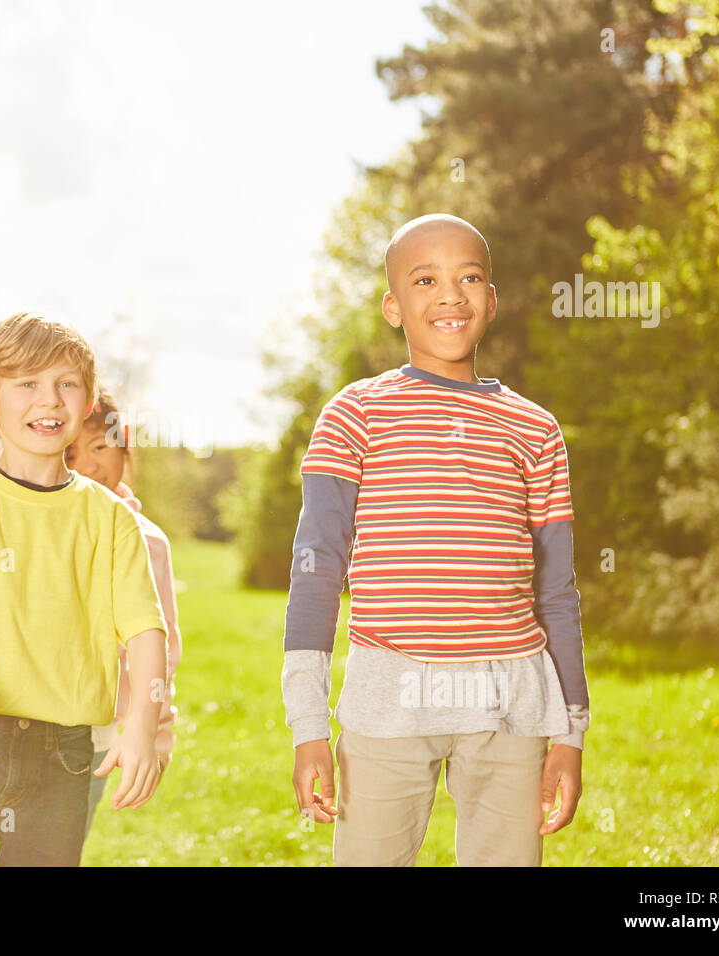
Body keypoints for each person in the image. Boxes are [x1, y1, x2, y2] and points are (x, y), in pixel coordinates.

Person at [284, 213, 588, 866]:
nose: (451, 294)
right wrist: (309, 726)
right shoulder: (353, 415)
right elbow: (314, 575)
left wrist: (571, 734)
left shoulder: (535, 430)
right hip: (386, 702)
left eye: (469, 277)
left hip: (512, 706)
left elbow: (557, 591)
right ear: (393, 306)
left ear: (492, 300)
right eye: (426, 279)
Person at [0, 312, 168, 866]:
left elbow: (145, 629)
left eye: (66, 384)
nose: (49, 400)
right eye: (27, 384)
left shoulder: (114, 521)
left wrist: (141, 723)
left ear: (88, 401)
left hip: (62, 754)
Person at [0, 385, 182, 831]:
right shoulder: (24, 519)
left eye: (102, 445)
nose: (92, 465)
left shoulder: (148, 542)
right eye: (71, 452)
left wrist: (156, 735)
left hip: (86, 740)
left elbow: (162, 651)